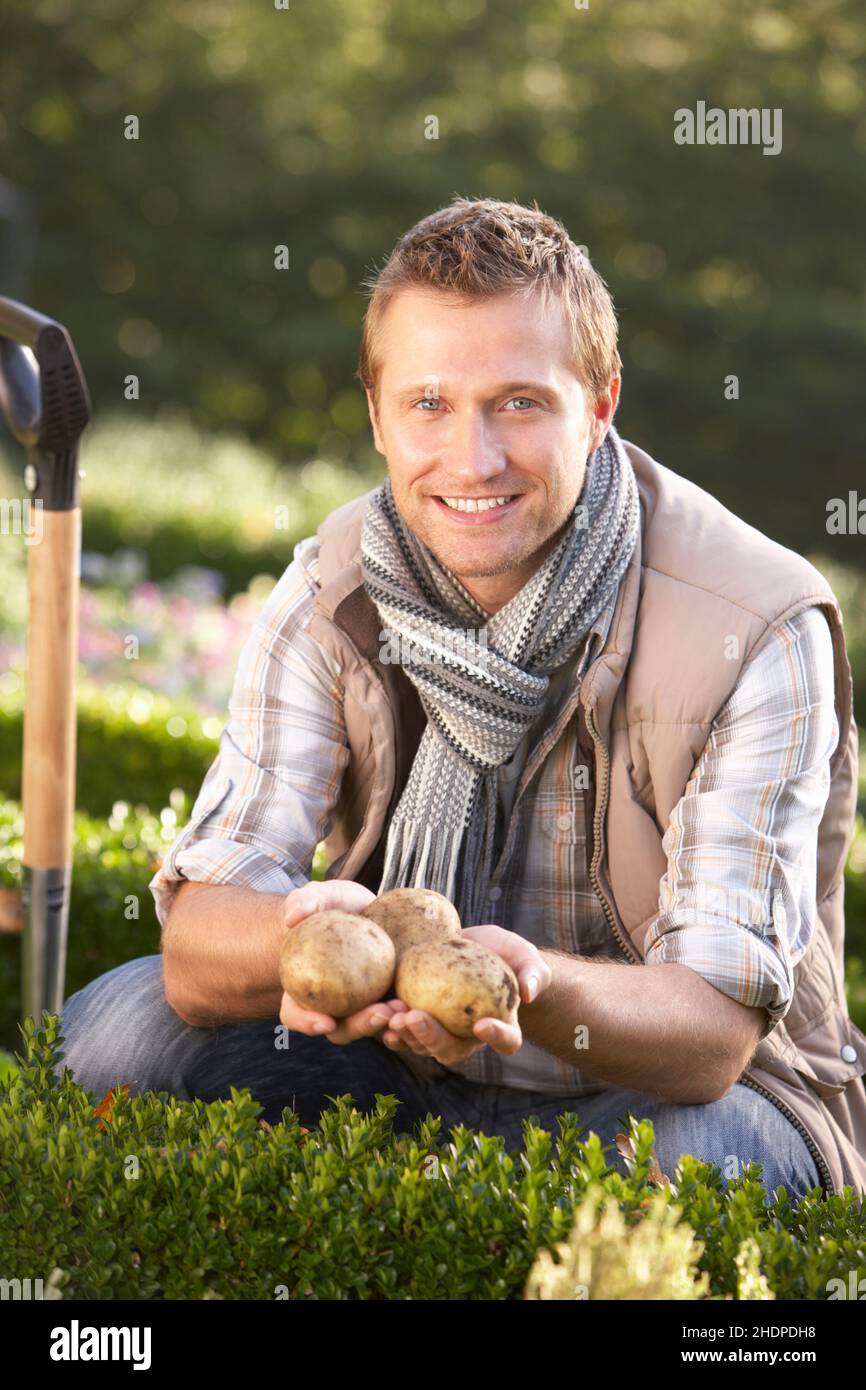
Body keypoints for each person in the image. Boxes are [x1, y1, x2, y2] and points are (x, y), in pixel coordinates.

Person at [60, 197, 866, 1204]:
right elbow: (194, 947)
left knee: (712, 1160)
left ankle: (423, 1193)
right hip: (393, 1054)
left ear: (600, 402)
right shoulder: (330, 589)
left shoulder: (752, 620)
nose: (472, 461)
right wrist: (313, 934)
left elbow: (708, 1036)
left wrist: (531, 985)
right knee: (110, 1028)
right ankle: (405, 1179)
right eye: (429, 403)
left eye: (519, 403)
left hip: (649, 1092)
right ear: (376, 413)